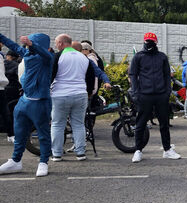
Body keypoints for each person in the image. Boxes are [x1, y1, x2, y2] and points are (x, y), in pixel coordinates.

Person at [50, 36, 111, 165]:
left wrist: (47, 89)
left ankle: (56, 154)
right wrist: (88, 92)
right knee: (78, 124)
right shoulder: (84, 58)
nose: (56, 46)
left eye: (56, 43)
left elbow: (51, 74)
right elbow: (90, 77)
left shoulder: (57, 56)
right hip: (80, 94)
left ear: (61, 43)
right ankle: (80, 152)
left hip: (60, 94)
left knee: (57, 124)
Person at [0, 32, 53, 177]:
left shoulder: (47, 59)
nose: (27, 45)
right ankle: (16, 160)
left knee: (43, 134)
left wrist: (32, 44)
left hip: (40, 102)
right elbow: (13, 45)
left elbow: (47, 55)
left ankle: (43, 162)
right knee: (19, 132)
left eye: (32, 42)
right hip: (24, 101)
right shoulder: (27, 53)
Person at [129, 32, 181, 163]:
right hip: (144, 95)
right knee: (140, 123)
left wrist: (167, 92)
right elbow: (133, 75)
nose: (149, 44)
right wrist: (136, 93)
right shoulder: (138, 57)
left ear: (156, 42)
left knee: (164, 123)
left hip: (160, 95)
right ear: (144, 42)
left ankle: (167, 150)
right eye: (147, 41)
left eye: (151, 41)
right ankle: (138, 150)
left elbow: (167, 75)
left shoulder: (162, 57)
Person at [4, 50, 21, 143]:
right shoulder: (16, 65)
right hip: (14, 90)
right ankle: (13, 133)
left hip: (3, 89)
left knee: (5, 112)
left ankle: (9, 133)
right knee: (13, 112)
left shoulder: (2, 64)